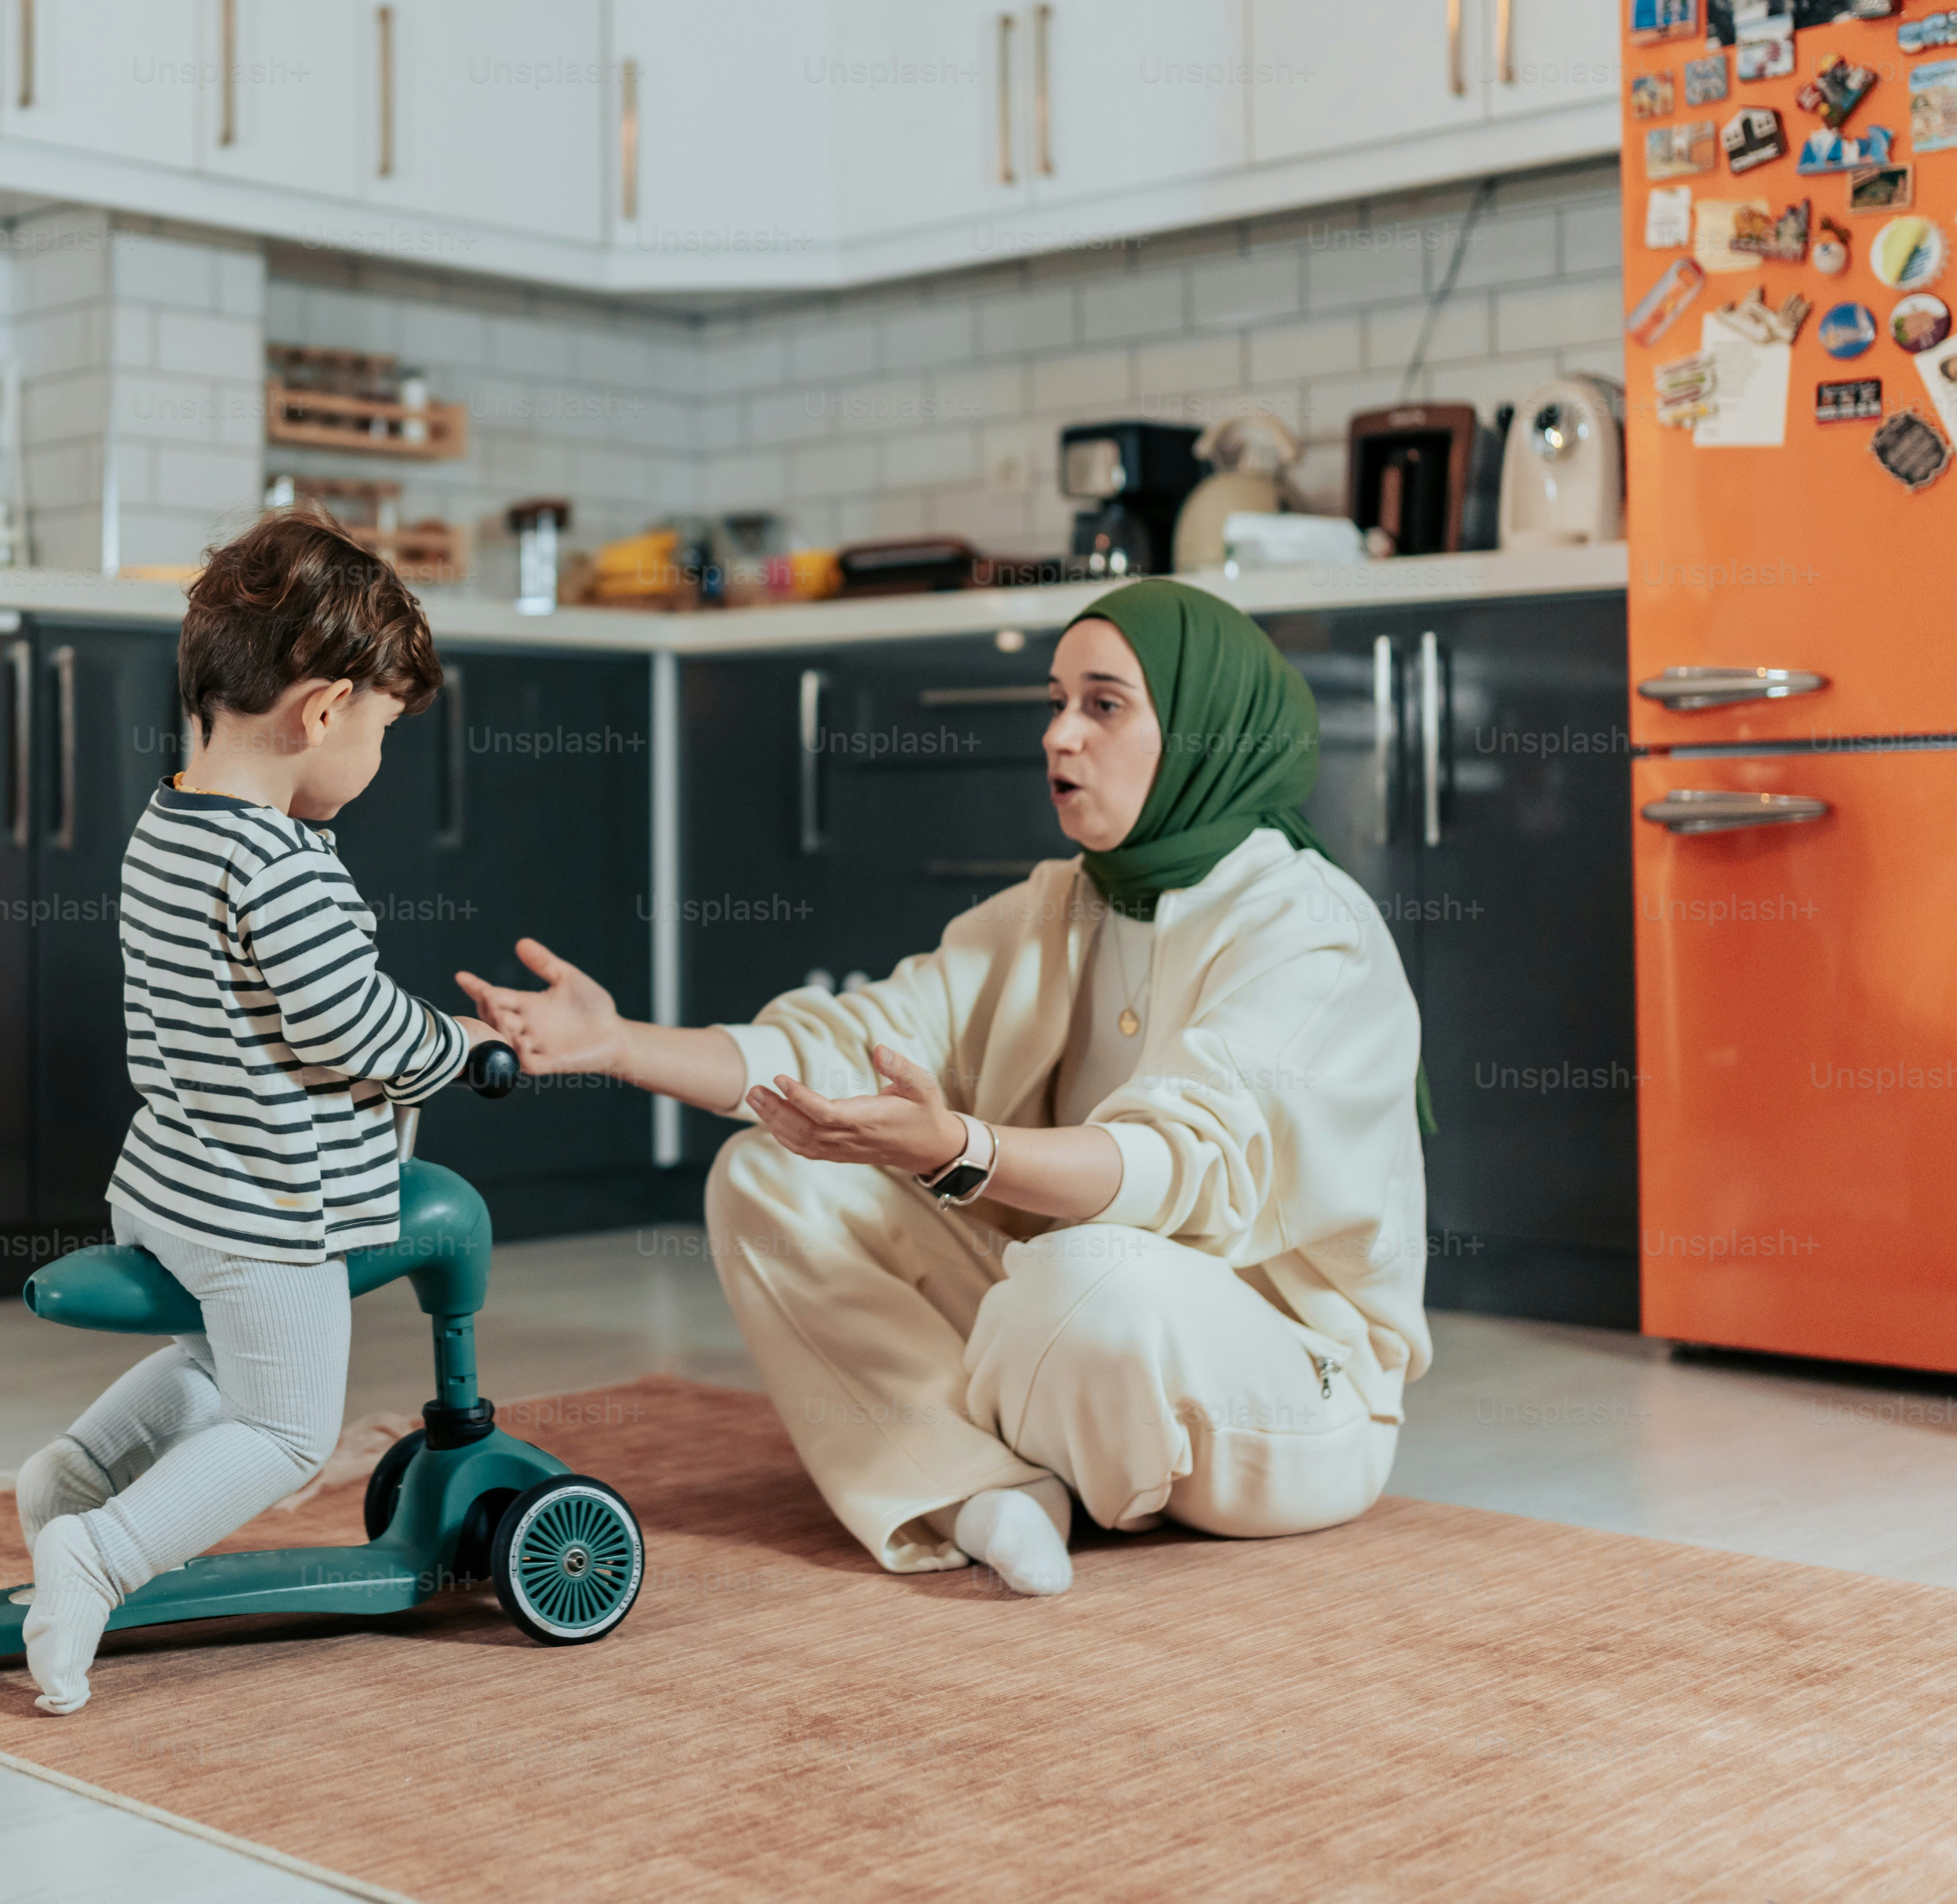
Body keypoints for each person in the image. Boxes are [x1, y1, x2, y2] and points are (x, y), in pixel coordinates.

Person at [460, 579, 1428, 1596]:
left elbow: (1185, 1159)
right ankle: (981, 1487)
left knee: (1092, 1274)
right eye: (1054, 702)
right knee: (772, 1175)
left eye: (1104, 705)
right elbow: (852, 1038)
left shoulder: (1310, 927)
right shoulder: (1060, 904)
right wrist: (619, 1044)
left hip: (1284, 1390)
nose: (1060, 736)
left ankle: (1007, 1442)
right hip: (1066, 1325)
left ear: (1203, 731)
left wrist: (962, 1147)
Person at [14, 509, 502, 1712]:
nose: (379, 759)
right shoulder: (279, 863)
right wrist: (456, 1045)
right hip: (264, 1204)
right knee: (288, 1431)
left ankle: (73, 1476)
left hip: (168, 1179)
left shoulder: (167, 825)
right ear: (324, 711)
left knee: (214, 1368)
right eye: (384, 729)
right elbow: (352, 1026)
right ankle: (100, 1551)